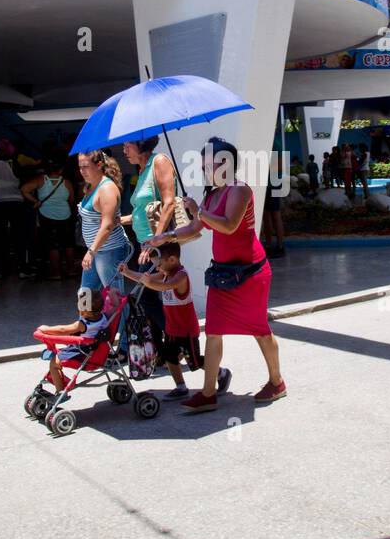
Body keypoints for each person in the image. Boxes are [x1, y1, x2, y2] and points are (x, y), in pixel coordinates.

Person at [147, 137, 284, 414]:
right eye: (205, 163)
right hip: (223, 275)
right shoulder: (213, 194)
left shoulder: (239, 190)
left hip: (250, 275)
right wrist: (165, 237)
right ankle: (208, 393)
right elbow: (196, 229)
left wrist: (199, 210)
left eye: (212, 162)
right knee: (213, 331)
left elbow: (229, 226)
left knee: (259, 331)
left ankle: (277, 382)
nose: (207, 168)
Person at [119, 242, 210, 401]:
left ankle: (221, 373)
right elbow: (143, 278)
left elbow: (165, 287)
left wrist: (149, 283)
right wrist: (126, 272)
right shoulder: (165, 272)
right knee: (170, 358)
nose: (157, 268)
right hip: (172, 328)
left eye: (159, 265)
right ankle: (180, 386)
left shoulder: (180, 276)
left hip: (186, 329)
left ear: (172, 260)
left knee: (195, 361)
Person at [122, 135, 181, 346]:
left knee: (147, 296)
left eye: (127, 145)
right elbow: (143, 211)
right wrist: (117, 221)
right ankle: (163, 350)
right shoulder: (143, 169)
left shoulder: (160, 162)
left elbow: (168, 204)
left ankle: (179, 341)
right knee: (152, 297)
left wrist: (153, 241)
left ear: (141, 143)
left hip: (158, 247)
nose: (124, 150)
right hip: (147, 244)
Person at [36, 286, 113, 394]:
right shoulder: (104, 317)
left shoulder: (83, 324)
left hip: (84, 353)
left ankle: (60, 392)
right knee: (57, 357)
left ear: (83, 311)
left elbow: (63, 330)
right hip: (94, 351)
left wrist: (46, 329)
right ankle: (62, 382)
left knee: (54, 362)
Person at [76, 150, 132, 294]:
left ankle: (123, 318)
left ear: (99, 164)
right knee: (85, 292)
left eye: (86, 166)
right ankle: (85, 317)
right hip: (95, 250)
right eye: (80, 167)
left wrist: (91, 251)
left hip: (109, 250)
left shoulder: (106, 189)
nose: (82, 171)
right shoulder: (90, 186)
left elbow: (107, 225)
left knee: (113, 295)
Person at [22, 158, 78, 279]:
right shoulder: (66, 182)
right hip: (65, 215)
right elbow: (72, 200)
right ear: (61, 170)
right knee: (68, 244)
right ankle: (71, 270)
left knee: (52, 245)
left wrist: (35, 201)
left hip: (47, 215)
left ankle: (56, 273)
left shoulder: (41, 180)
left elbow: (24, 190)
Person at [0, 139, 26, 278]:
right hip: (16, 201)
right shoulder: (15, 162)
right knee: (18, 235)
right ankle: (21, 268)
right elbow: (21, 178)